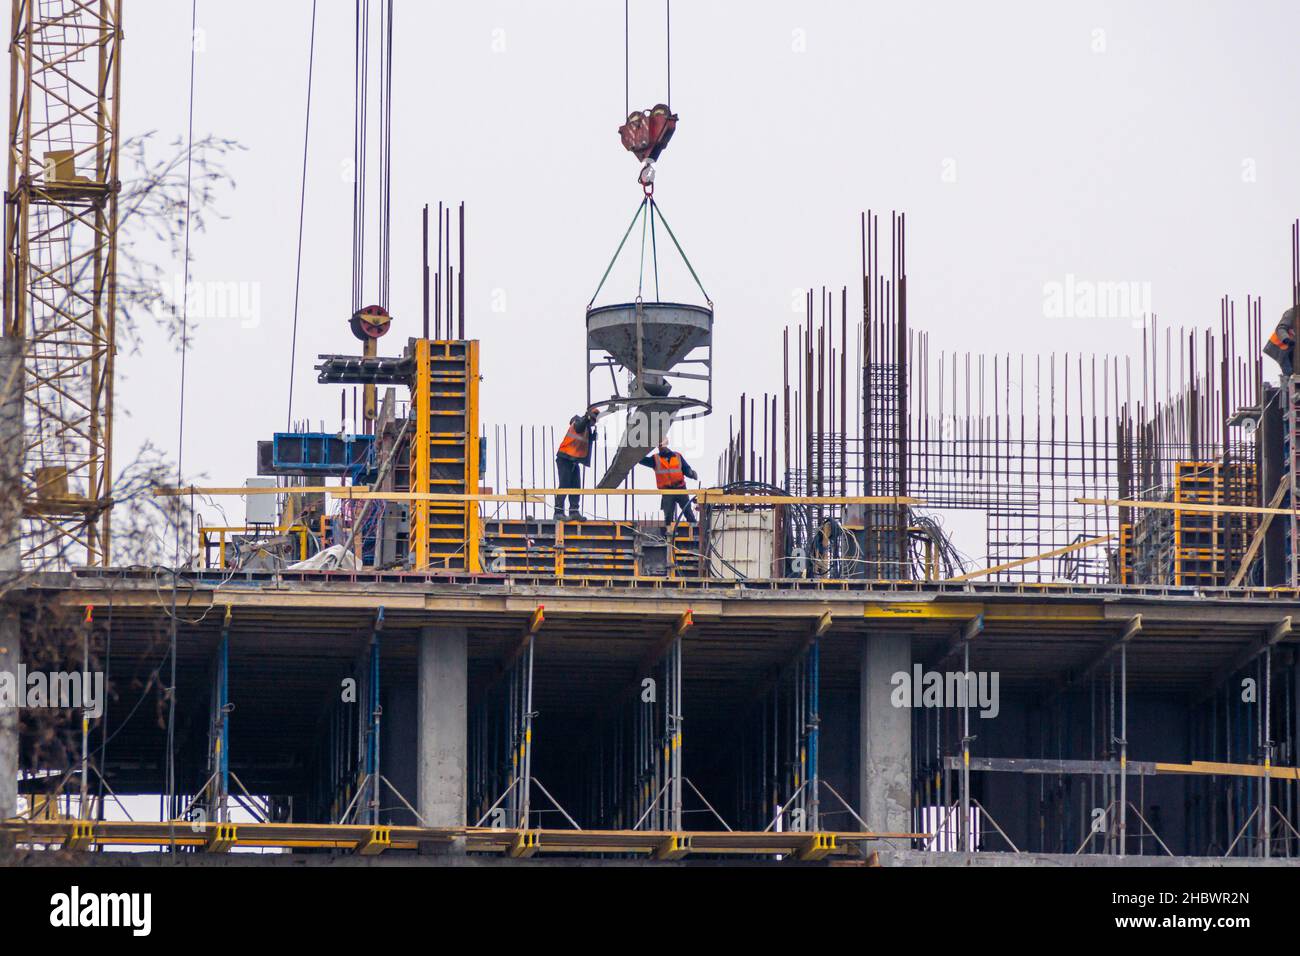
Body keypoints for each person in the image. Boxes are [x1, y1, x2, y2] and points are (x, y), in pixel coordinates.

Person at [639, 438, 698, 534]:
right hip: (667, 491)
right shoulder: (655, 459)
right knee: (668, 515)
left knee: (688, 512)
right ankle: (670, 533)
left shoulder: (677, 456)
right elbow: (641, 460)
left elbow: (685, 468)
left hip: (680, 488)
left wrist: (691, 474)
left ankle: (695, 532)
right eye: (659, 446)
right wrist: (635, 454)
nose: (660, 448)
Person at [554, 405, 601, 520]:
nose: (594, 423)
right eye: (594, 420)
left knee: (576, 485)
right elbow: (579, 427)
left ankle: (574, 511)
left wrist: (592, 438)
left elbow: (582, 443)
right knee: (564, 484)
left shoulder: (587, 429)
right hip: (564, 458)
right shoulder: (578, 422)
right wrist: (587, 416)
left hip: (574, 461)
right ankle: (558, 512)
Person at [1264, 306, 1298, 377]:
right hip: (1278, 347)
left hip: (1291, 348)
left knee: (1295, 372)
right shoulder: (1292, 312)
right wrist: (1286, 339)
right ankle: (1288, 382)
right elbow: (1280, 328)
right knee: (1289, 373)